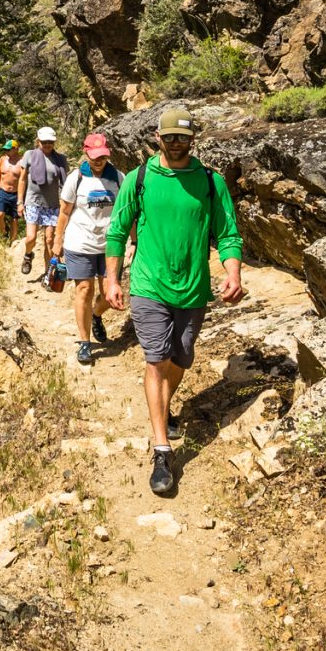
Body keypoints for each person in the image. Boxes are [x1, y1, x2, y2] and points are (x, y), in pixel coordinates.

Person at [104, 108, 243, 496]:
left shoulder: (211, 182)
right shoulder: (140, 178)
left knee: (182, 357)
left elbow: (228, 234)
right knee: (156, 359)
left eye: (184, 137)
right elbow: (117, 230)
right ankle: (161, 449)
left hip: (194, 288)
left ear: (193, 139)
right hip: (149, 284)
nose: (177, 143)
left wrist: (233, 273)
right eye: (170, 138)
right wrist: (112, 279)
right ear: (158, 138)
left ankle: (162, 409)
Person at [52, 132, 123, 365]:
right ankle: (85, 342)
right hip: (79, 241)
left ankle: (96, 315)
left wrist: (134, 240)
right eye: (94, 157)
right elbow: (64, 211)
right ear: (86, 153)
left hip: (110, 245)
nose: (98, 161)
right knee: (84, 289)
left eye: (102, 156)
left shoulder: (119, 178)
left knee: (108, 294)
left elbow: (127, 212)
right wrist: (57, 240)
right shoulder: (76, 178)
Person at [18, 127, 68, 275]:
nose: (47, 145)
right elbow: (21, 180)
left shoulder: (60, 159)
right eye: (44, 142)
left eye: (50, 142)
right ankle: (28, 255)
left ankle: (49, 274)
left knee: (49, 239)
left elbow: (64, 183)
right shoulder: (29, 155)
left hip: (52, 205)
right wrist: (20, 202)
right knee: (31, 237)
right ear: (38, 141)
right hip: (33, 201)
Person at [0, 140, 23, 241]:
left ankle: (13, 241)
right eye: (5, 149)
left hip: (16, 193)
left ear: (16, 149)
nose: (6, 151)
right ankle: (3, 236)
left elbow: (24, 180)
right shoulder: (3, 159)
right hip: (3, 191)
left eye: (8, 150)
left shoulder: (22, 161)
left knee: (14, 220)